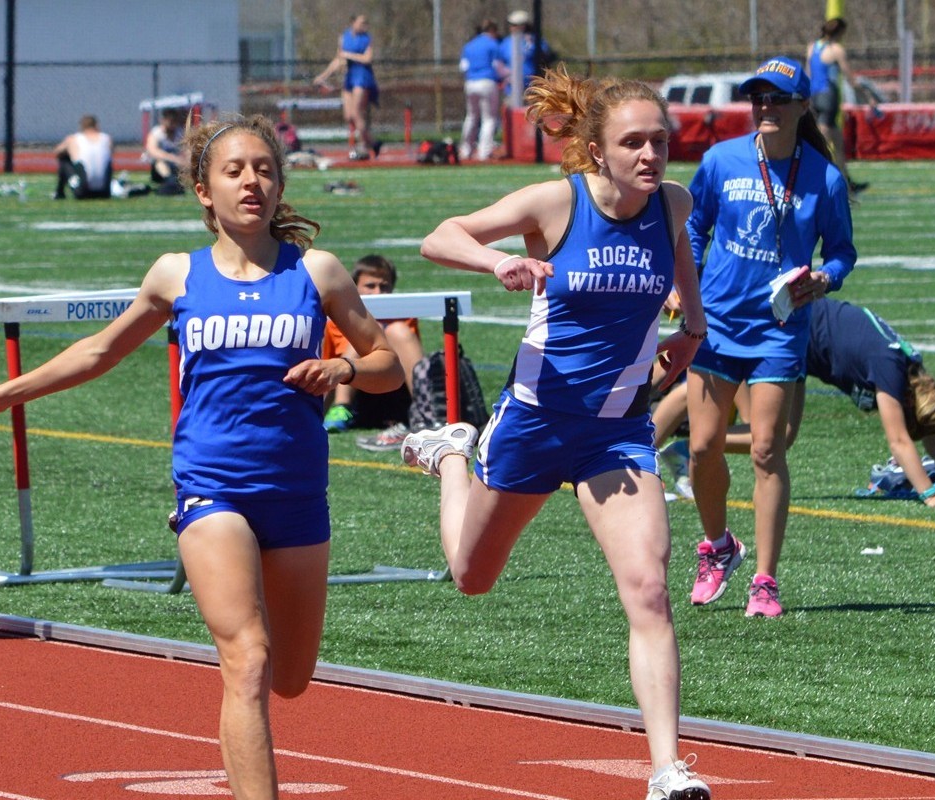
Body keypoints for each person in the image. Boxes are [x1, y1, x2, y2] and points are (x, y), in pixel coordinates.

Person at [0, 114, 402, 799]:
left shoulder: (317, 271)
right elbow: (101, 350)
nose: (251, 181)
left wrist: (341, 372)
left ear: (280, 184)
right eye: (234, 170)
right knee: (247, 660)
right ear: (202, 190)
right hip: (212, 487)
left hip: (297, 493)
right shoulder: (176, 275)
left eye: (264, 169)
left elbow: (386, 365)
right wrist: (5, 393)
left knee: (291, 676)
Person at [405, 67, 711, 800]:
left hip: (618, 433)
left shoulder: (672, 202)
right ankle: (452, 456)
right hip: (534, 424)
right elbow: (438, 239)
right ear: (597, 152)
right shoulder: (556, 201)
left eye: (659, 140)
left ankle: (667, 769)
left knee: (649, 588)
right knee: (473, 579)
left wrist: (691, 327)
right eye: (632, 142)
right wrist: (498, 260)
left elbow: (684, 276)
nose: (650, 154)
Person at [683, 56, 857, 618]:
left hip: (779, 329)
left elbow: (842, 251)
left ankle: (765, 579)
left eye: (777, 99)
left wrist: (827, 277)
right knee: (703, 446)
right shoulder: (720, 160)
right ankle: (718, 546)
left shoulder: (824, 178)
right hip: (714, 323)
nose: (765, 108)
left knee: (765, 448)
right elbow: (690, 225)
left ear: (802, 106)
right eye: (757, 98)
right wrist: (680, 289)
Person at [659, 298, 935, 507]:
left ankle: (691, 448)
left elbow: (930, 437)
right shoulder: (891, 369)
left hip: (800, 336)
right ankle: (652, 450)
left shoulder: (911, 372)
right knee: (720, 403)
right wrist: (931, 496)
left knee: (778, 435)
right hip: (787, 328)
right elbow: (899, 441)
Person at [320, 255, 425, 447]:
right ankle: (341, 408)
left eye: (384, 286)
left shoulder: (404, 316)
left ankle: (425, 409)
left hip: (395, 390)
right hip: (357, 392)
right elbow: (328, 362)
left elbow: (410, 361)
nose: (378, 292)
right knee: (359, 341)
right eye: (370, 286)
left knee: (398, 332)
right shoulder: (337, 319)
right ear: (354, 287)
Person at [805, 18, 877, 194]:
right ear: (840, 32)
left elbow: (808, 74)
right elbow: (850, 79)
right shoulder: (836, 50)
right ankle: (814, 184)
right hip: (828, 97)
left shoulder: (812, 47)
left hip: (814, 97)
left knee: (838, 146)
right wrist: (868, 97)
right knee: (820, 146)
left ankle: (847, 183)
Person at [312, 14, 378, 161]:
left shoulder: (367, 39)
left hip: (362, 77)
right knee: (348, 116)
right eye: (361, 22)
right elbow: (338, 60)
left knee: (356, 113)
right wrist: (323, 76)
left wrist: (349, 55)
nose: (364, 25)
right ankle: (373, 142)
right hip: (349, 78)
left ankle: (364, 145)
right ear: (353, 23)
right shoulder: (344, 38)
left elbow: (367, 59)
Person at [457, 20, 503, 162]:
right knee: (488, 118)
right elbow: (497, 66)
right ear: (492, 31)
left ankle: (465, 150)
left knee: (471, 116)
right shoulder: (492, 44)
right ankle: (484, 152)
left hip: (470, 83)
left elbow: (463, 67)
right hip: (487, 82)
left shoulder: (469, 46)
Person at [52, 114, 113, 200]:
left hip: (82, 192)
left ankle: (59, 192)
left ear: (81, 127)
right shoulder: (107, 139)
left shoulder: (73, 139)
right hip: (105, 192)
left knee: (64, 160)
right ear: (97, 125)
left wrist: (71, 153)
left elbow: (57, 152)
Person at [144, 108, 186, 193]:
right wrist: (172, 158)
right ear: (163, 120)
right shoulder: (156, 133)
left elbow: (187, 149)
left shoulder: (179, 132)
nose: (172, 124)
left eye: (174, 121)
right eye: (170, 121)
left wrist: (185, 160)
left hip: (176, 166)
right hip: (159, 170)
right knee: (160, 162)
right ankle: (169, 180)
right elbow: (152, 151)